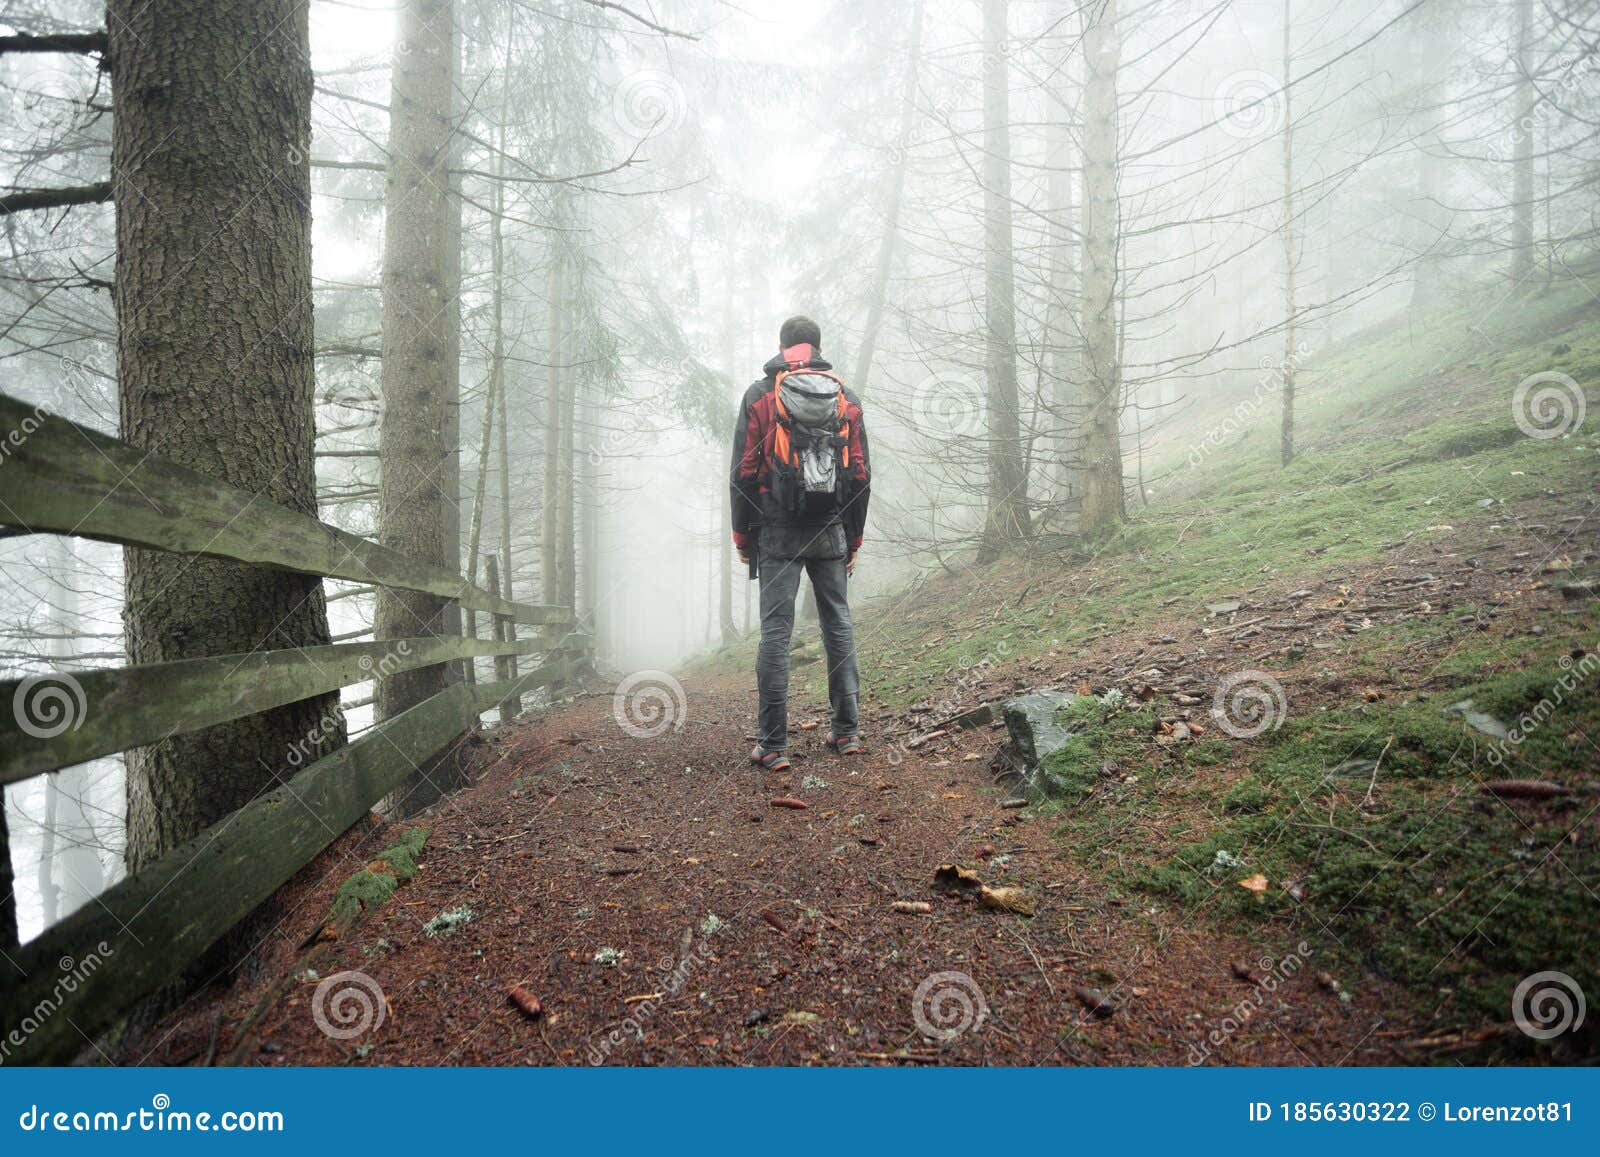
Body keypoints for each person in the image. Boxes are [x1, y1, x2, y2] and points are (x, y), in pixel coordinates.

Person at [730, 316, 871, 773]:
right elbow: (860, 475)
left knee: (776, 631)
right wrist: (854, 536)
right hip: (830, 528)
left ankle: (773, 745)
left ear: (782, 346)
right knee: (838, 623)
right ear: (817, 348)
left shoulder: (760, 395)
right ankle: (847, 733)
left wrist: (743, 534)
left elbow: (743, 473)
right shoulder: (844, 397)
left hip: (776, 529)